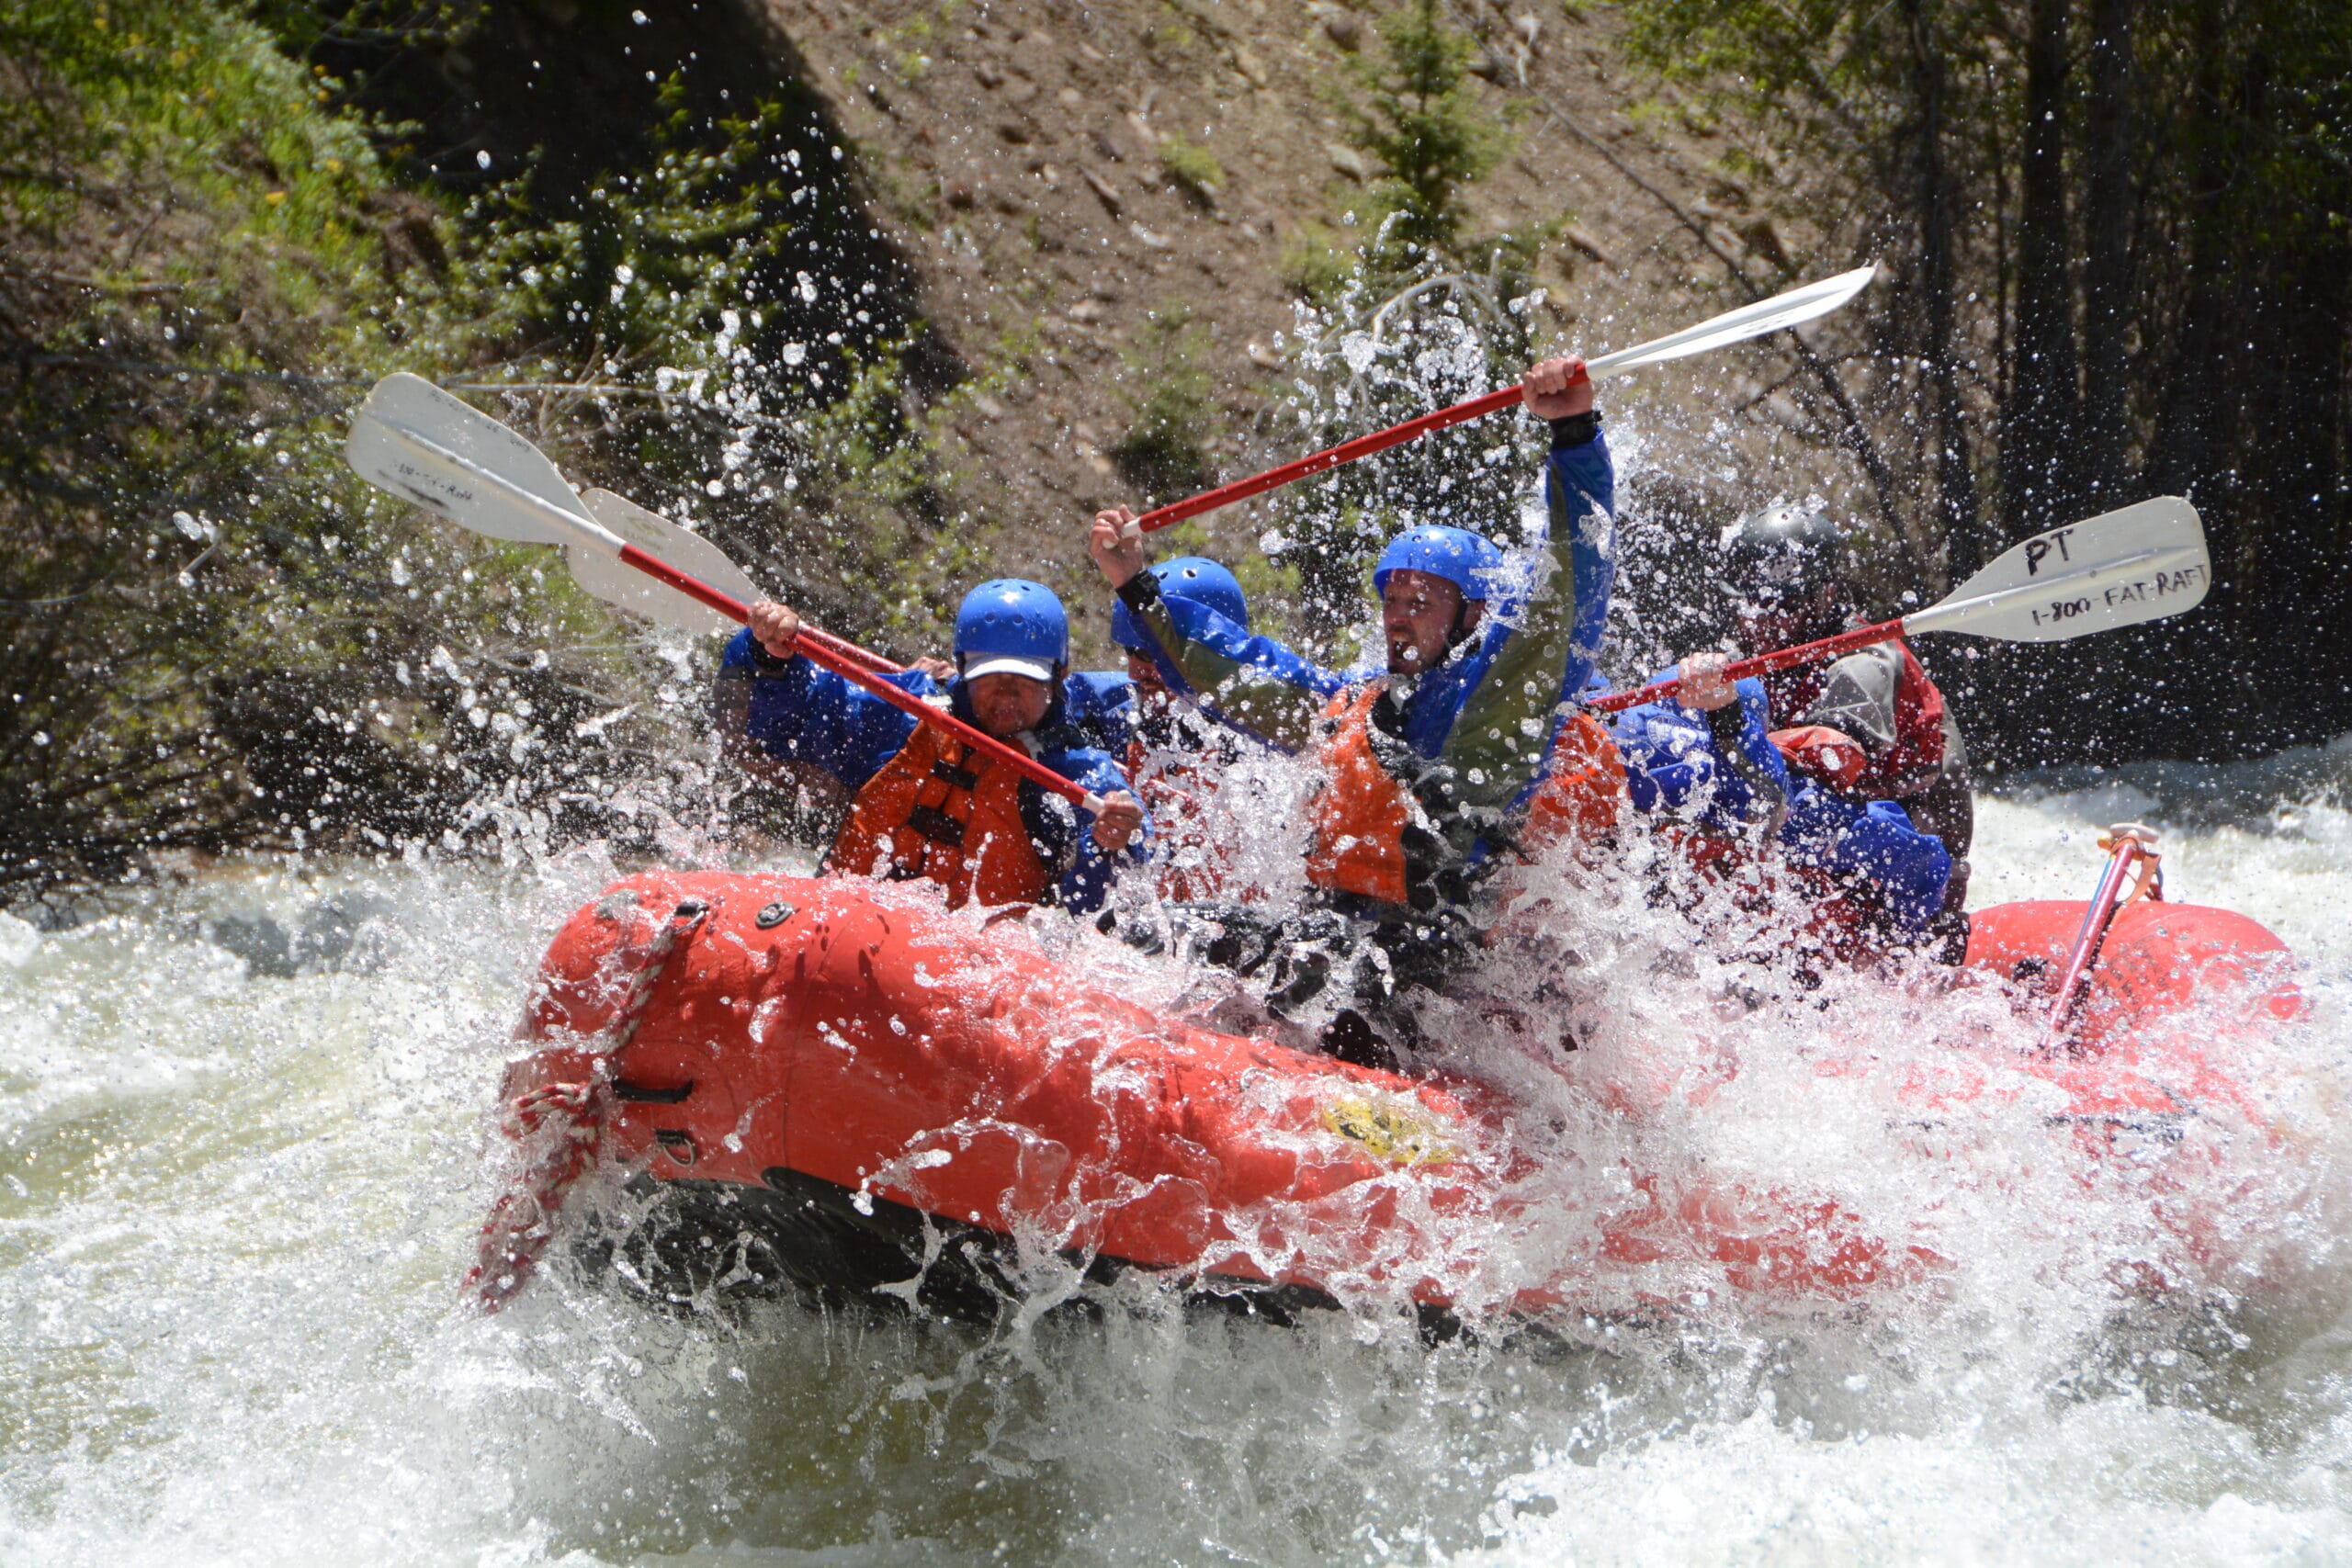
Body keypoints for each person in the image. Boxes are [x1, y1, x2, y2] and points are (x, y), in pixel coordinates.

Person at [1088, 355, 1623, 1062]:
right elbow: (1238, 669)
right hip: (1333, 941)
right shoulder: (1350, 703)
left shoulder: (1492, 708)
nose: (1398, 620)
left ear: (1469, 619)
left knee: (1327, 965)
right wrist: (1137, 586)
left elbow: (1569, 593)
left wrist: (1575, 434)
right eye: (1392, 602)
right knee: (1146, 930)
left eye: (1421, 604)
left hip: (1425, 967)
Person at [718, 580, 1148, 915]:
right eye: (990, 679)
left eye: (1024, 682)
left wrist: (1108, 845)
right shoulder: (904, 714)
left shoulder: (1078, 775)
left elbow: (1099, 910)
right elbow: (788, 723)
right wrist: (772, 656)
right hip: (843, 927)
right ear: (960, 669)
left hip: (974, 973)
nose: (1005, 698)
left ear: (1059, 676)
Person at [1667, 501, 1973, 957]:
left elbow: (1817, 771)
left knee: (1799, 814)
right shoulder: (1754, 650)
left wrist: (1728, 718)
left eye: (1780, 606)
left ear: (1824, 596)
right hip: (1826, 832)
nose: (1760, 620)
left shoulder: (1865, 662)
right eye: (1749, 603)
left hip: (1910, 849)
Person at [1109, 557, 1265, 903]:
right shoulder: (1119, 723)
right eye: (1131, 652)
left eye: (1150, 655)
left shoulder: (1262, 763)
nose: (1135, 672)